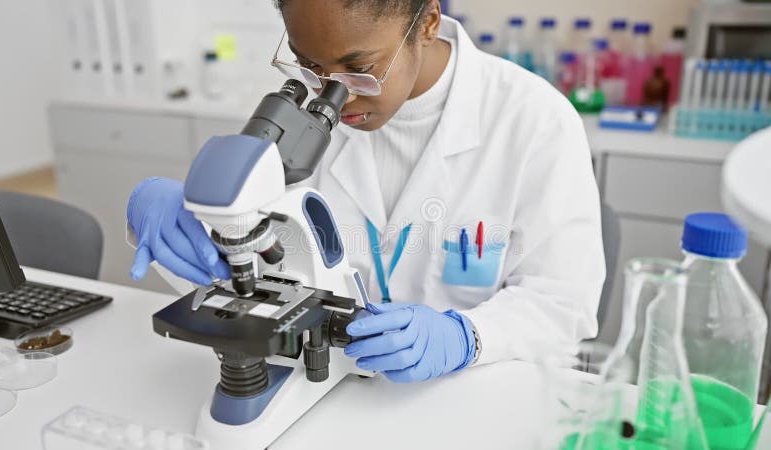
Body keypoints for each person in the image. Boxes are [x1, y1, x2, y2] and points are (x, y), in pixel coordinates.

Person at [126, 0, 605, 383]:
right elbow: (245, 254)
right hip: (337, 390)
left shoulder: (533, 120)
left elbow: (563, 306)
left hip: (477, 397)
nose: (337, 96)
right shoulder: (295, 123)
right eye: (310, 67)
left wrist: (468, 338)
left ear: (428, 23)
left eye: (360, 68)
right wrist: (189, 217)